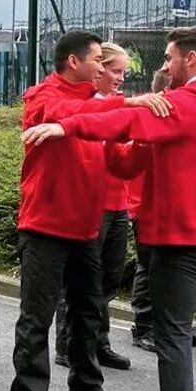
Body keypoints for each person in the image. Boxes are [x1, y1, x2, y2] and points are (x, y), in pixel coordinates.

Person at [24, 26, 196, 391]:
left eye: (168, 58)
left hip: (182, 237)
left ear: (190, 60)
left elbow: (121, 120)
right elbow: (131, 154)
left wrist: (64, 127)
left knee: (172, 335)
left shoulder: (184, 103)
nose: (162, 68)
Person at [7, 30, 172, 391]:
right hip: (44, 227)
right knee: (36, 320)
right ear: (74, 62)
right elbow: (64, 113)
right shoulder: (42, 96)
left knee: (89, 314)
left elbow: (120, 163)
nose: (104, 67)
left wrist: (149, 141)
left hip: (87, 228)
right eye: (98, 59)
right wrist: (128, 103)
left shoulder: (99, 110)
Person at [54, 42, 135, 372]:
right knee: (80, 280)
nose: (117, 78)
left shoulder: (117, 108)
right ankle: (67, 342)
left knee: (108, 279)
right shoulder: (84, 107)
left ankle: (98, 341)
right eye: (114, 70)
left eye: (122, 73)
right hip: (92, 205)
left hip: (119, 204)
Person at [128, 68, 171, 353]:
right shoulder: (152, 113)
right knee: (148, 266)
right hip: (143, 204)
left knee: (166, 267)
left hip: (164, 205)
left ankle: (164, 325)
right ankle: (144, 326)